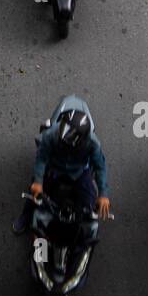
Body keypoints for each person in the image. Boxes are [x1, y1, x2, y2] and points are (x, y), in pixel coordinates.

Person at [13, 95, 111, 234]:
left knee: (90, 200)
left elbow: (100, 167)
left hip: (79, 173)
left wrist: (103, 194)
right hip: (54, 169)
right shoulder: (51, 134)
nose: (64, 135)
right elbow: (41, 158)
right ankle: (25, 216)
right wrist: (38, 181)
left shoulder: (93, 143)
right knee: (34, 193)